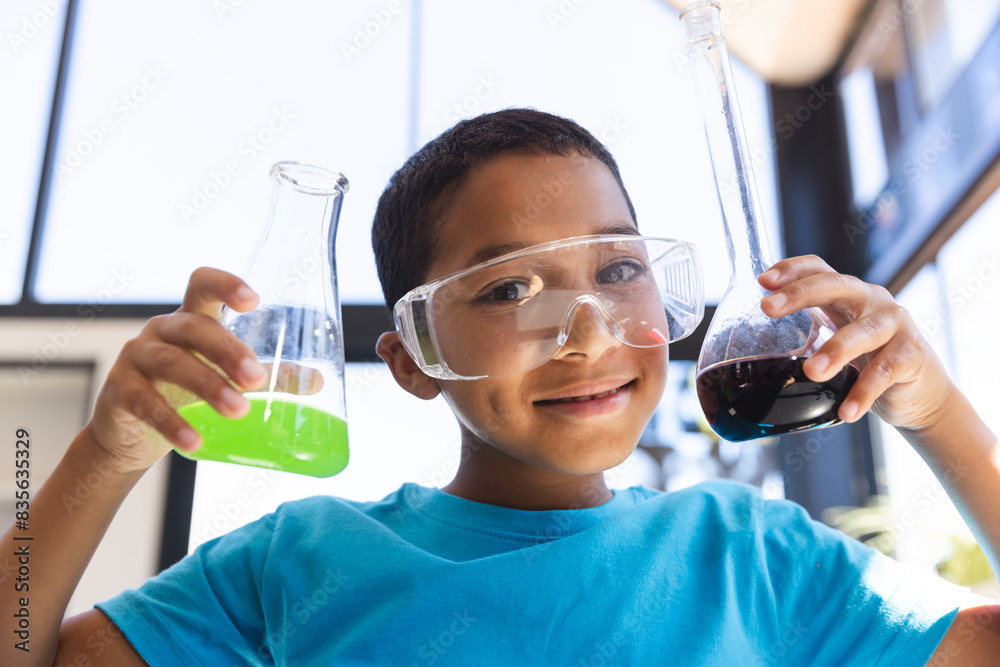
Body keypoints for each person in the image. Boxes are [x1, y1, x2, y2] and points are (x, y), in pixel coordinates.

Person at [8, 109, 1000, 665]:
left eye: (617, 270)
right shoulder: (297, 563)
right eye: (509, 286)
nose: (584, 331)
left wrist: (935, 412)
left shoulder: (751, 555)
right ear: (409, 355)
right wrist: (105, 455)